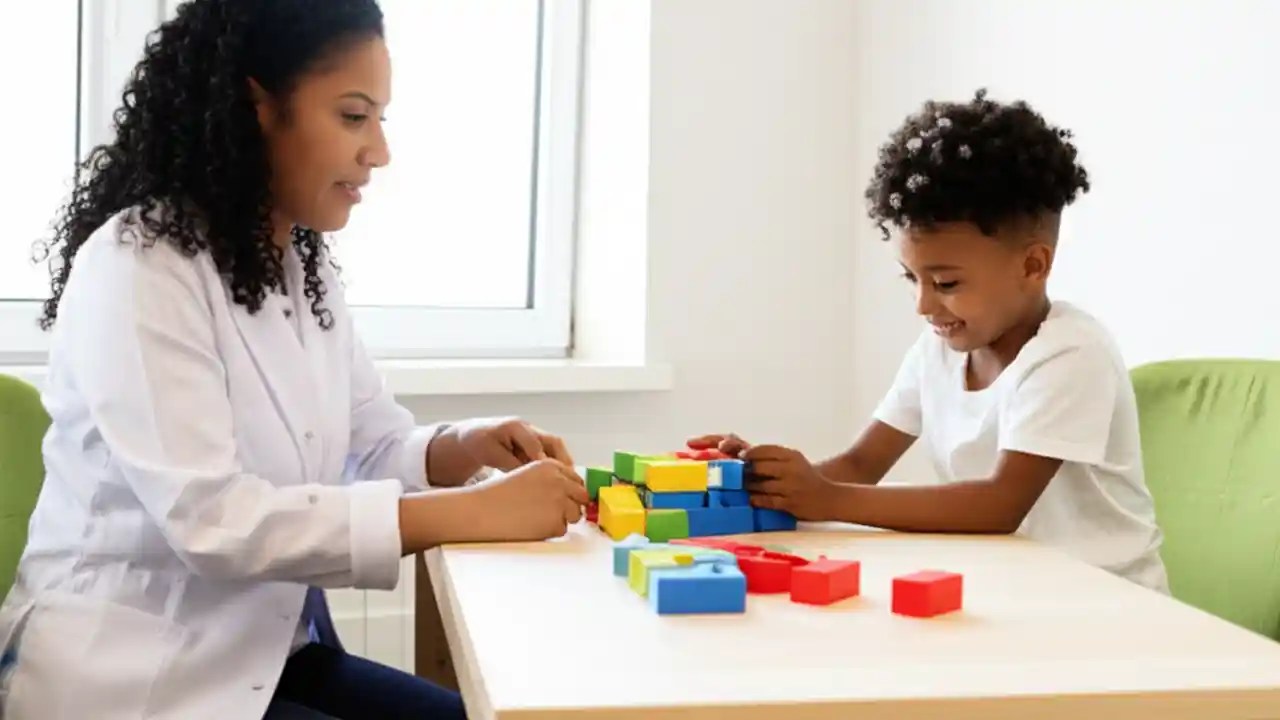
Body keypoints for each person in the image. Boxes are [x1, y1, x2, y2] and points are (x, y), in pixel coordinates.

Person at [0, 1, 587, 718]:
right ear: (257, 108)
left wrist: (461, 447)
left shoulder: (295, 265)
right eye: (352, 116)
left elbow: (366, 447)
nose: (378, 151)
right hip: (136, 679)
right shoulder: (140, 267)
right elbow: (211, 520)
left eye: (380, 119)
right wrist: (472, 512)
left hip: (264, 655)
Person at [692, 89, 1168, 593]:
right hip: (1013, 591)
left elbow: (997, 504)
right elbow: (859, 466)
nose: (923, 306)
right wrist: (766, 484)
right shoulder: (937, 351)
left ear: (1033, 265)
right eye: (911, 279)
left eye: (945, 284)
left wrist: (825, 498)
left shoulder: (1071, 353)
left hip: (1105, 601)